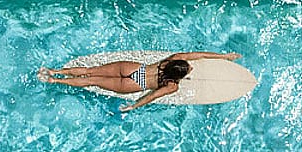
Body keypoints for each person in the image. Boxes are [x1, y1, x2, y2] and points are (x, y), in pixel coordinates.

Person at [39, 51, 241, 112]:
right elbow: (152, 96)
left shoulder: (168, 61)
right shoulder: (172, 85)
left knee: (91, 71)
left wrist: (224, 56)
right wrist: (133, 106)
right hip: (133, 85)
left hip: (133, 69)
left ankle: (54, 70)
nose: (191, 65)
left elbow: (195, 55)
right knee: (92, 81)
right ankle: (55, 81)